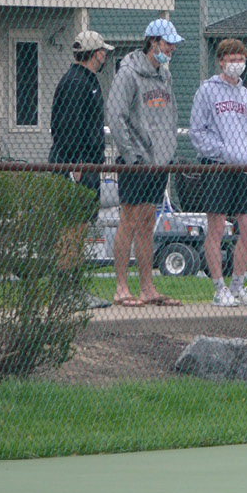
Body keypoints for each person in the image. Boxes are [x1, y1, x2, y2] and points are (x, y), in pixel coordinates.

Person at [105, 18, 182, 307]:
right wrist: (132, 154)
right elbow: (116, 115)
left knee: (148, 221)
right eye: (167, 43)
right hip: (135, 161)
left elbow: (170, 114)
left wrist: (168, 149)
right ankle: (121, 288)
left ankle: (147, 287)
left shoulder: (165, 75)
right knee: (130, 220)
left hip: (159, 162)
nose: (171, 48)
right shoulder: (128, 73)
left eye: (173, 43)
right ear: (153, 42)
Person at [190, 39, 247, 307]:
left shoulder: (245, 95)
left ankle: (236, 287)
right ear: (221, 61)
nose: (236, 63)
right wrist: (223, 151)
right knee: (217, 227)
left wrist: (246, 153)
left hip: (242, 169)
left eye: (240, 58)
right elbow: (197, 133)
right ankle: (219, 288)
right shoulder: (207, 91)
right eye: (231, 59)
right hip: (216, 166)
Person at [49, 30, 113, 300]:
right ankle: (66, 290)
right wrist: (75, 163)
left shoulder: (89, 80)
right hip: (75, 166)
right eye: (103, 51)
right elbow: (67, 126)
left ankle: (72, 288)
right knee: (71, 228)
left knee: (80, 227)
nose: (105, 56)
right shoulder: (76, 82)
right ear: (95, 53)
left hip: (87, 164)